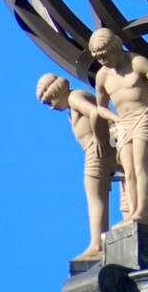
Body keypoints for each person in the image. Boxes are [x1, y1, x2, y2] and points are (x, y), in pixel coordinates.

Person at [88, 28, 148, 225]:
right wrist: (114, 118)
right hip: (123, 123)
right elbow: (100, 107)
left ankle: (143, 213)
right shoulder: (102, 76)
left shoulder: (137, 63)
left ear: (116, 48)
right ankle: (133, 213)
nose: (103, 61)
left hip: (144, 117)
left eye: (105, 56)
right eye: (99, 58)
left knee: (141, 165)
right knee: (128, 170)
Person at [36, 72, 117, 260]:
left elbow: (96, 113)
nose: (51, 108)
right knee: (99, 194)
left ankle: (97, 245)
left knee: (95, 195)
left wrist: (99, 139)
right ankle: (98, 242)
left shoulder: (74, 97)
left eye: (49, 102)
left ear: (56, 93)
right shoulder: (74, 101)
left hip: (97, 151)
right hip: (102, 149)